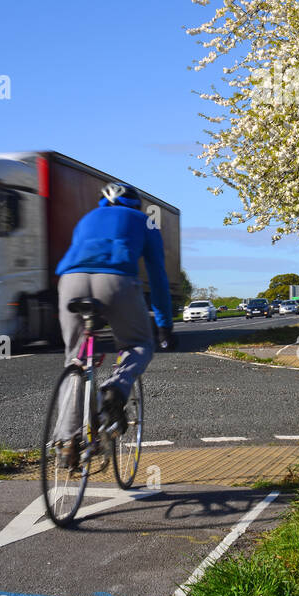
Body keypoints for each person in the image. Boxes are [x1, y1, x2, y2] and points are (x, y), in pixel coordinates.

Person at [54, 182, 174, 454]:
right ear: (136, 204)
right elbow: (157, 274)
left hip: (70, 281)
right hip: (116, 279)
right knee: (139, 344)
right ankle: (115, 389)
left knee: (76, 358)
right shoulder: (145, 221)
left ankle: (68, 441)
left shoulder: (86, 219)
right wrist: (164, 325)